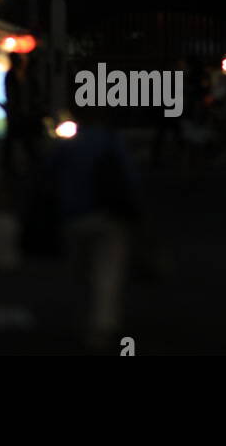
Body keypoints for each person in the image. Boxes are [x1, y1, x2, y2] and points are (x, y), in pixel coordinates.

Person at [44, 105, 141, 351]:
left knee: (79, 271)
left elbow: (50, 175)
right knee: (108, 272)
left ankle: (82, 318)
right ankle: (102, 326)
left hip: (74, 214)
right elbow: (129, 178)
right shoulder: (112, 141)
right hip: (109, 214)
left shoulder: (68, 143)